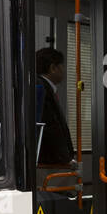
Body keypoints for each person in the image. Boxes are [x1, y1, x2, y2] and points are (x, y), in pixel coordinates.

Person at [35, 48, 75, 177]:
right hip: (49, 164)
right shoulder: (41, 89)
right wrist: (65, 158)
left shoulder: (41, 86)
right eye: (61, 66)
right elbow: (51, 127)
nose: (63, 70)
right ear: (53, 68)